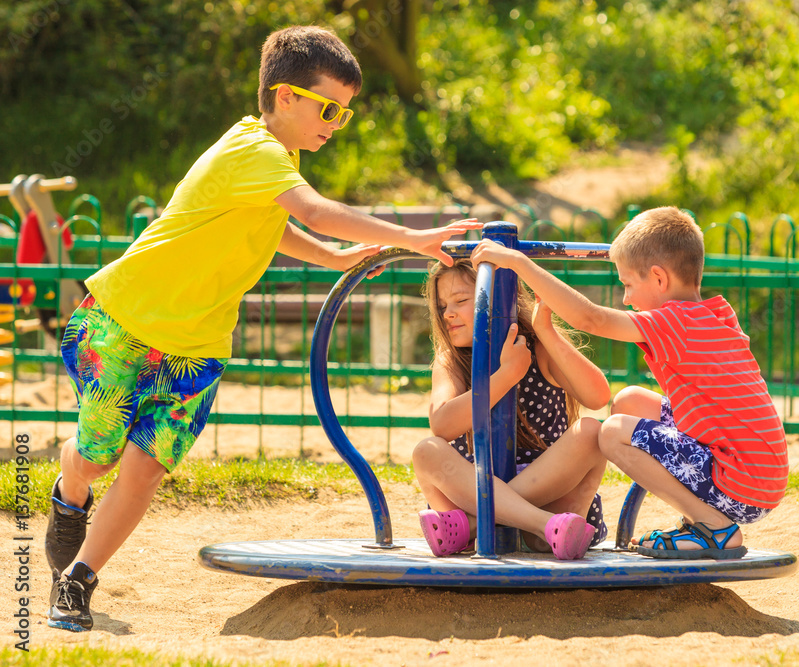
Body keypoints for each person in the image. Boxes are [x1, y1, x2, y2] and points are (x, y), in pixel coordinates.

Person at [45, 25, 481, 633]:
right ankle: (72, 484)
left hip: (197, 350)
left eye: (345, 113)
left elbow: (268, 223)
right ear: (283, 96)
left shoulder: (276, 160)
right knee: (99, 461)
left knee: (144, 471)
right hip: (124, 325)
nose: (336, 121)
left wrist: (329, 258)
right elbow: (312, 210)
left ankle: (78, 580)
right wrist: (410, 237)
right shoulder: (254, 151)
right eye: (328, 107)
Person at [471, 206, 788, 560]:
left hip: (739, 485)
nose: (626, 299)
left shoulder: (674, 321)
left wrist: (518, 263)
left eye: (627, 285)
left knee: (612, 432)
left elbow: (592, 318)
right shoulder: (714, 314)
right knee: (630, 402)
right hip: (757, 473)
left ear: (658, 278)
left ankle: (714, 527)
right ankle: (698, 522)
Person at [412, 259, 610, 560]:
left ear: (501, 300)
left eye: (462, 300)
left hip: (551, 500)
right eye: (441, 306)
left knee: (593, 432)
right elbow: (442, 425)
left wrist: (547, 332)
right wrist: (505, 376)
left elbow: (597, 397)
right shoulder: (451, 360)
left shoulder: (538, 348)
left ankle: (478, 527)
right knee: (426, 451)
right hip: (486, 496)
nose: (448, 313)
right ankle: (542, 526)